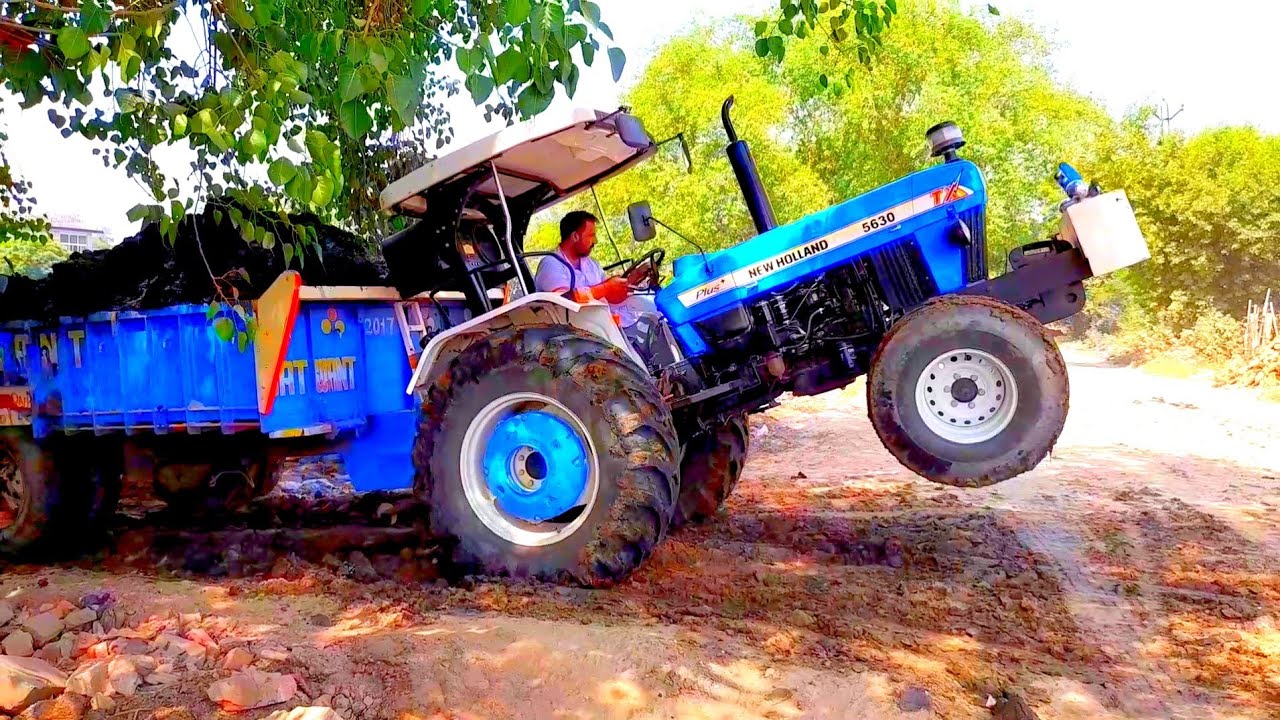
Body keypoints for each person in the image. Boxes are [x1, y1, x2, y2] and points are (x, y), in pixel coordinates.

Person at [533, 211, 656, 343]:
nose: (595, 241)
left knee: (654, 313)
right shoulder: (551, 264)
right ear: (575, 236)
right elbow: (563, 303)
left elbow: (611, 296)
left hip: (605, 328)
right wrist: (605, 288)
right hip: (579, 339)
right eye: (591, 236)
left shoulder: (591, 264)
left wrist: (635, 277)